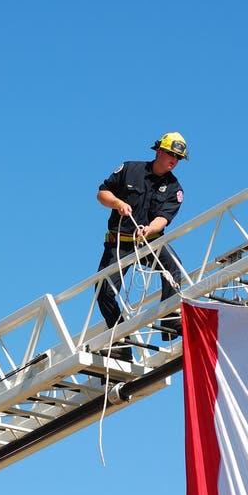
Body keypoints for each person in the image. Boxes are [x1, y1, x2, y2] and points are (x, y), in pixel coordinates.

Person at [96, 132, 187, 360]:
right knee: (103, 290)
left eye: (178, 157)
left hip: (149, 242)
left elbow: (164, 219)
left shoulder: (175, 188)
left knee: (174, 267)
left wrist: (150, 229)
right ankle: (120, 340)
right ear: (159, 151)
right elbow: (102, 193)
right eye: (171, 155)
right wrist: (118, 203)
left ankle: (169, 318)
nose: (174, 160)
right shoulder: (130, 169)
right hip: (119, 243)